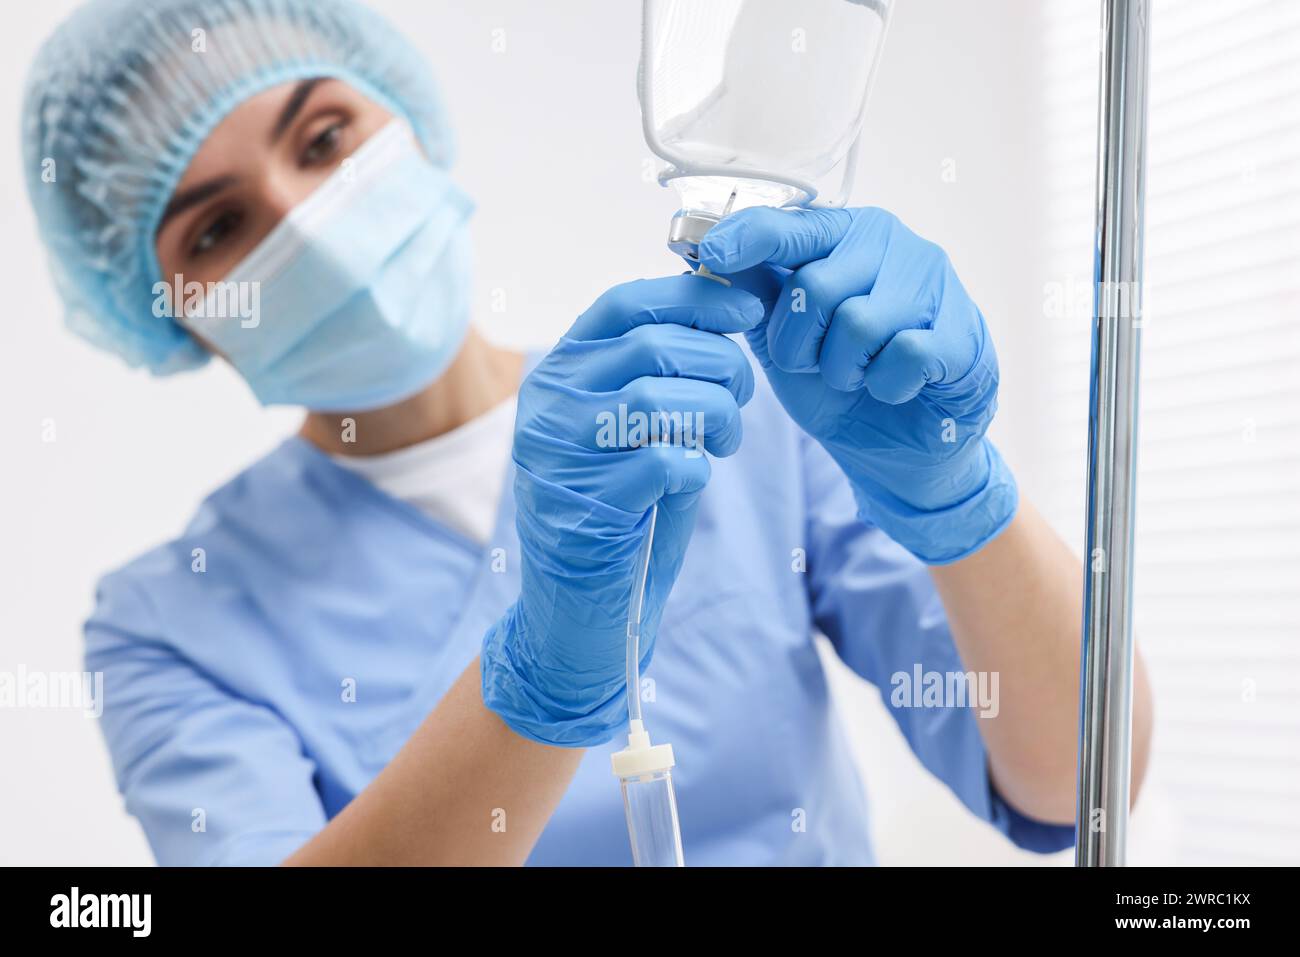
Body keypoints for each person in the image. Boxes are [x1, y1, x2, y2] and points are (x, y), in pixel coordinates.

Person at [22, 0, 1152, 866]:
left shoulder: (733, 406)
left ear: (405, 122)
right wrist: (543, 679)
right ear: (169, 317)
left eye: (321, 138)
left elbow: (1079, 780)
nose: (306, 226)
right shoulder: (170, 625)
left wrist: (961, 496)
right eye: (218, 228)